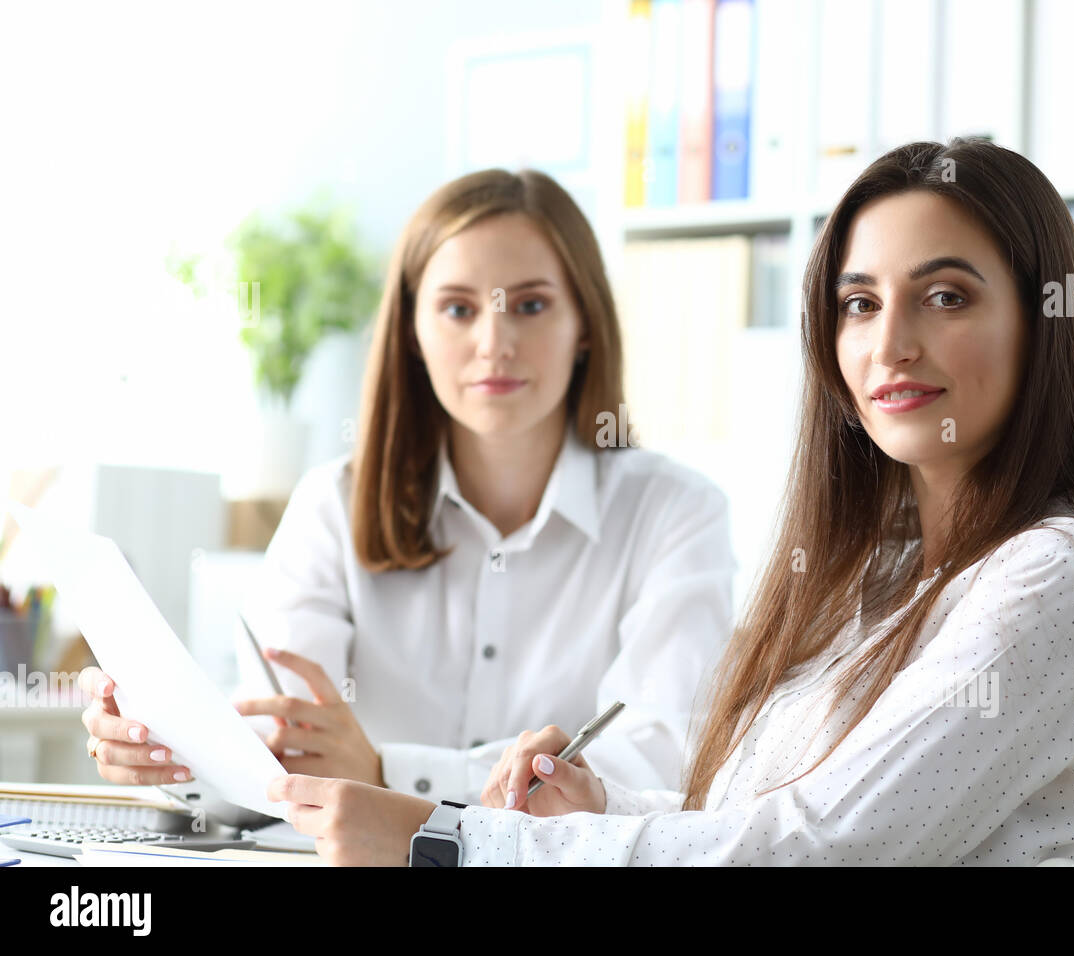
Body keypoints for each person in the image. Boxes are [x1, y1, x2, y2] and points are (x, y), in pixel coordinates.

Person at [270, 138, 1074, 866]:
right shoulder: (872, 572)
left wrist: (446, 837)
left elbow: (819, 850)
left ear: (1045, 324)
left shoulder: (1053, 577)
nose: (890, 346)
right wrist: (597, 808)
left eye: (946, 297)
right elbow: (742, 821)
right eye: (859, 304)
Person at [77, 168, 737, 803]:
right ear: (414, 331)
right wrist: (168, 745)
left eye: (531, 305)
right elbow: (281, 742)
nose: (494, 342)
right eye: (457, 308)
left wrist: (389, 773)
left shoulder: (677, 514)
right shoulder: (333, 506)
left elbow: (660, 757)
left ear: (585, 323)